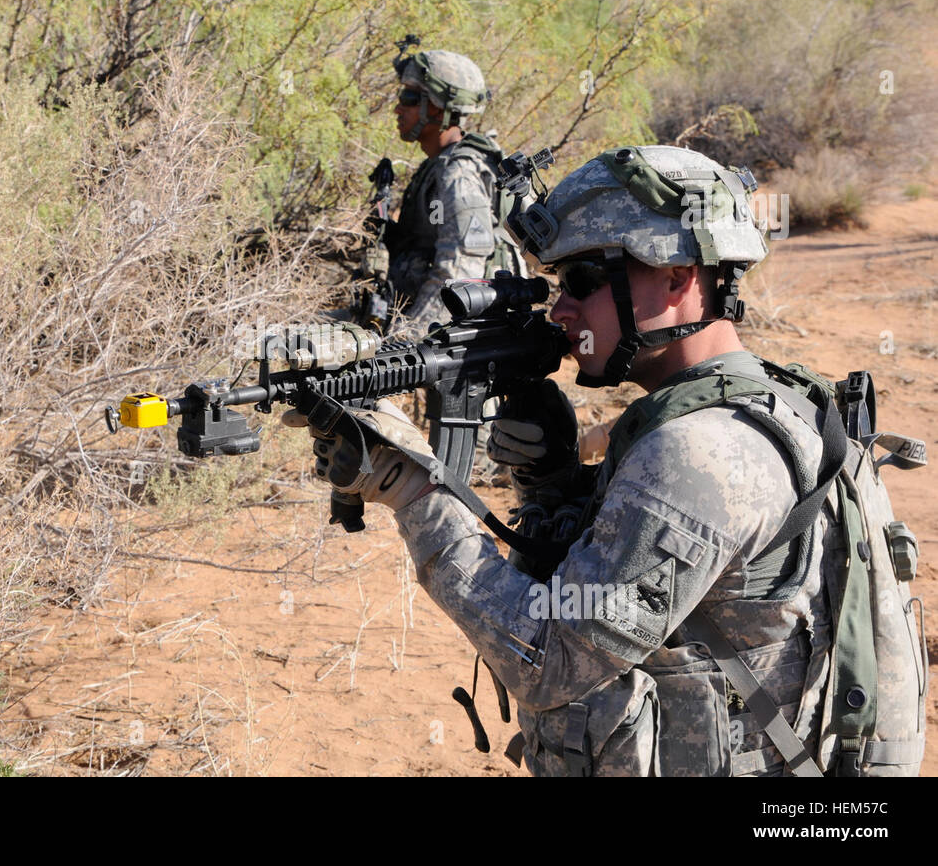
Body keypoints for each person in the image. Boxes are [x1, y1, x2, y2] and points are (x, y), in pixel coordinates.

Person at [287, 145, 899, 776]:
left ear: (678, 275)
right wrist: (556, 483)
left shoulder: (697, 452)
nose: (561, 310)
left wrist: (415, 492)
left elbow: (548, 660)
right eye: (558, 284)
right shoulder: (758, 400)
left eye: (584, 281)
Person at [374, 47, 527, 341]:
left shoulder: (459, 173)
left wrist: (403, 341)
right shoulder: (437, 165)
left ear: (437, 106)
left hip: (459, 336)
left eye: (409, 98)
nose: (397, 109)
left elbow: (459, 271)